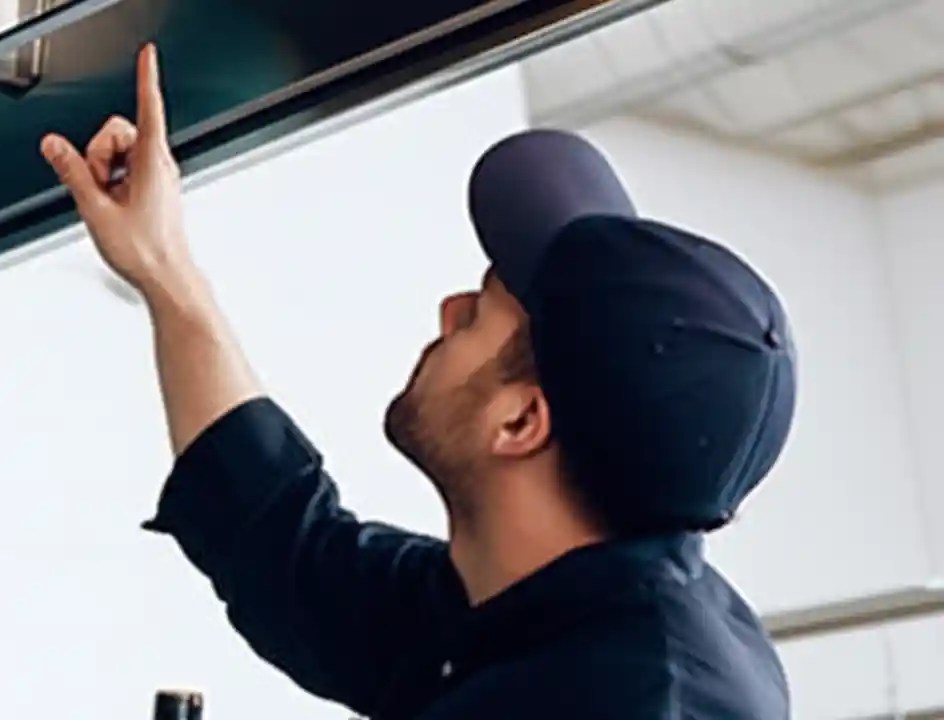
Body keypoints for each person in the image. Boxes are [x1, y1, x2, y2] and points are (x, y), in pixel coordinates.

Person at [40, 45, 796, 720]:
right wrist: (164, 266)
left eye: (482, 310)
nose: (450, 307)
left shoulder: (626, 699)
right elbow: (289, 554)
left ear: (520, 423)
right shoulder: (542, 594)